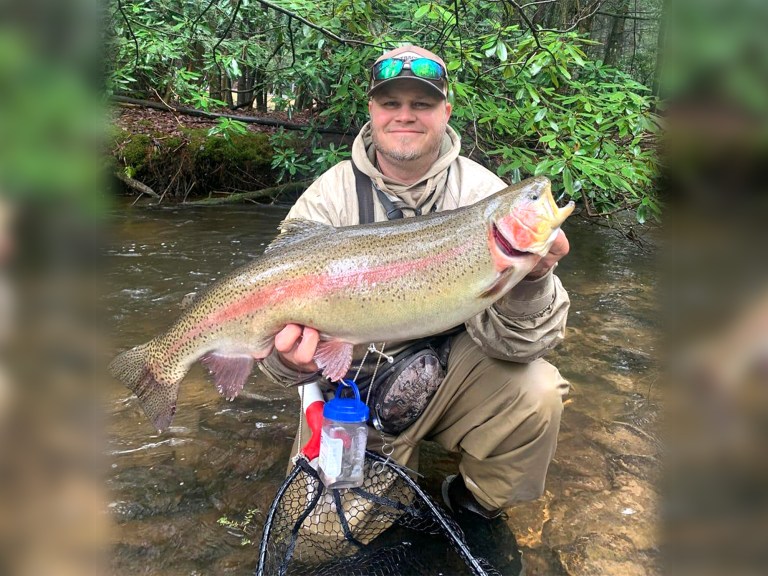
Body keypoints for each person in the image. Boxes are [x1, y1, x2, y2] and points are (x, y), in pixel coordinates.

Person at [258, 44, 570, 522]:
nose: (406, 116)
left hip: (452, 374)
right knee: (319, 542)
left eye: (422, 104)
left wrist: (530, 279)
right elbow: (277, 362)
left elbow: (522, 345)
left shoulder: (483, 196)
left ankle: (472, 504)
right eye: (391, 103)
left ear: (445, 112)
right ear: (372, 111)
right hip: (353, 393)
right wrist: (287, 360)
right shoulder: (327, 199)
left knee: (538, 393)